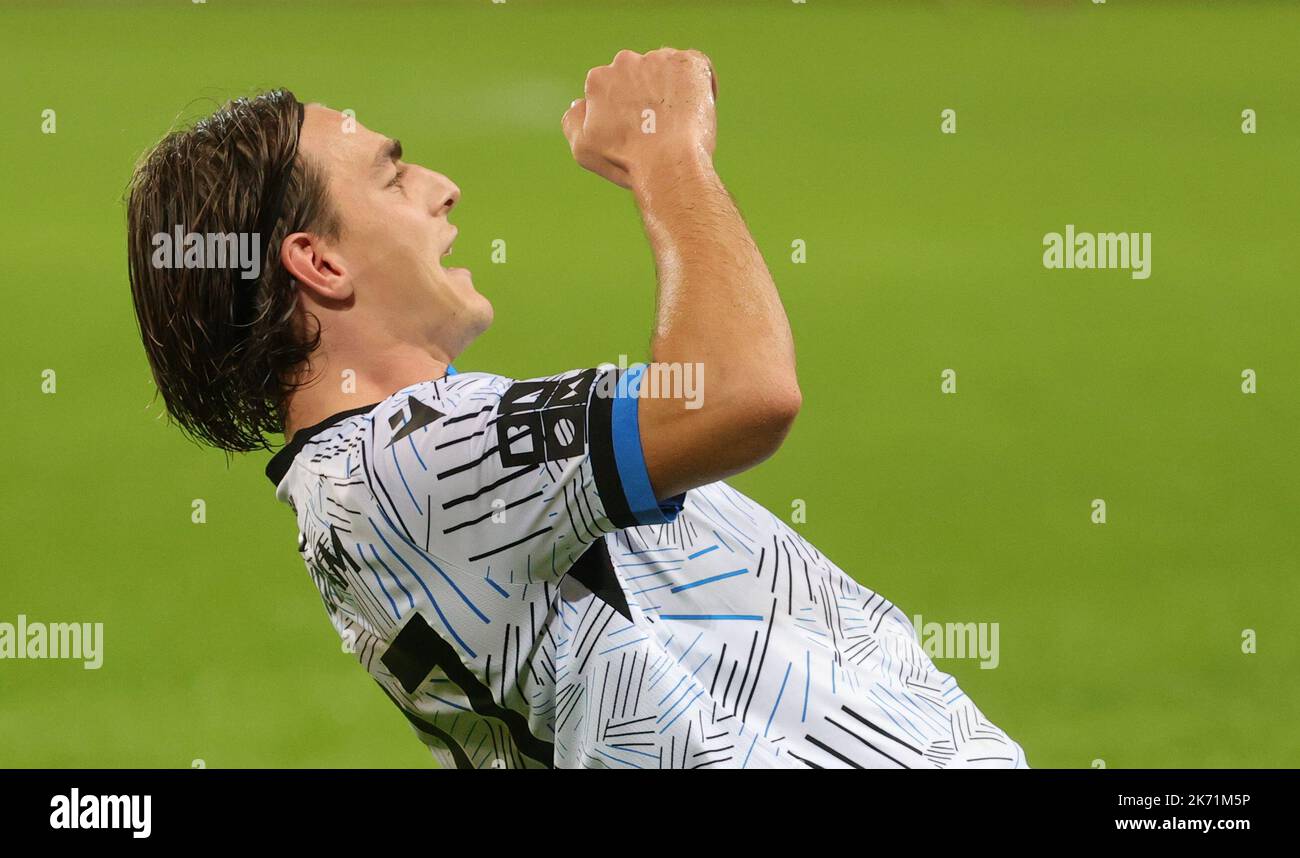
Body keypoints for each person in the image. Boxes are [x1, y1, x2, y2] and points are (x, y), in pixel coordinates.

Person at [126, 48, 1027, 768]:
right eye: (391, 178)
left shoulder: (373, 479)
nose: (442, 186)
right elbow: (743, 393)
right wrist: (666, 154)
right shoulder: (408, 464)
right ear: (319, 263)